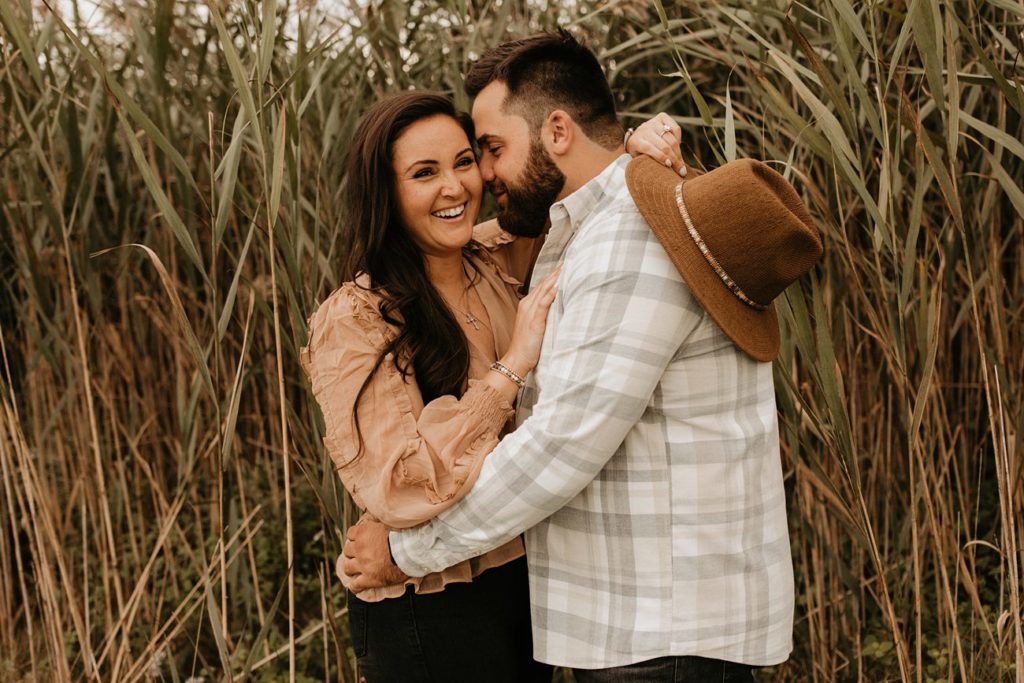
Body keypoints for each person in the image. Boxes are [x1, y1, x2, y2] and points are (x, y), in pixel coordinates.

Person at [342, 30, 823, 682]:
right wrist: (631, 149)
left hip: (661, 631)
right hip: (644, 624)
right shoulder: (581, 231)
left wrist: (408, 552)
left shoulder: (627, 240)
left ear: (558, 131)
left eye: (490, 150)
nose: (482, 175)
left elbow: (560, 445)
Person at [300, 91, 676, 681]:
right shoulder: (357, 319)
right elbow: (398, 485)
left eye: (464, 161)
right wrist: (511, 368)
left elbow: (578, 195)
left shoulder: (497, 258)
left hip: (523, 583)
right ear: (386, 193)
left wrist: (628, 146)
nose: (455, 188)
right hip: (428, 605)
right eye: (425, 173)